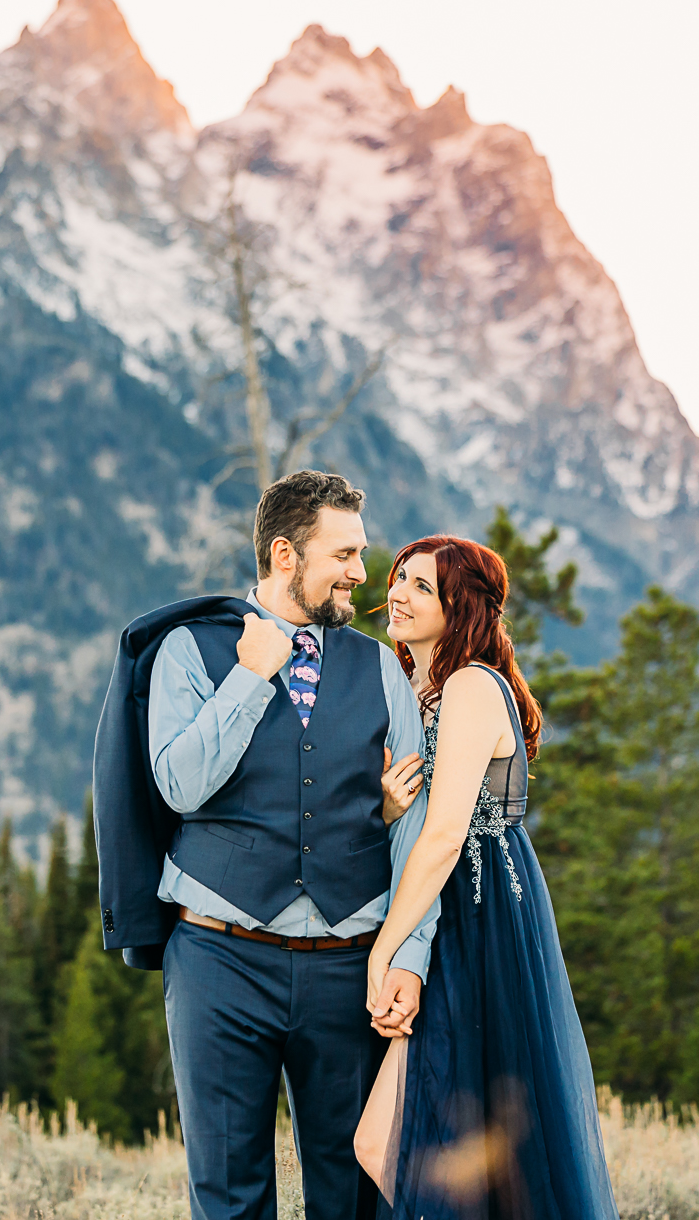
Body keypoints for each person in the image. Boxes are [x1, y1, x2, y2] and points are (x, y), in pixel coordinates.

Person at [91, 470, 436, 1220]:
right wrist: (250, 677)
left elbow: (416, 829)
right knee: (228, 1190)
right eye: (344, 554)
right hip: (219, 961)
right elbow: (179, 784)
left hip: (349, 968)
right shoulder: (190, 650)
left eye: (361, 552)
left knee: (352, 1192)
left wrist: (408, 955)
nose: (360, 572)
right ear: (286, 554)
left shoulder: (381, 668)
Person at [353, 535, 619, 1220]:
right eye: (398, 579)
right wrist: (387, 807)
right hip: (445, 916)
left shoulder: (471, 684)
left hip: (481, 914)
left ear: (458, 605)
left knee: (397, 1143)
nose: (398, 595)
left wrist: (385, 949)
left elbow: (446, 834)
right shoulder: (416, 689)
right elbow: (415, 822)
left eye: (420, 586)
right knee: (428, 1152)